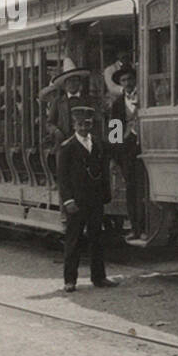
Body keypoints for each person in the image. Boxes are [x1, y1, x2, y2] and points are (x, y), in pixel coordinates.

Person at [57, 106, 115, 291]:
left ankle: (99, 278)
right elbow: (62, 177)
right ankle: (70, 280)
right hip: (77, 201)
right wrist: (68, 201)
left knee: (97, 239)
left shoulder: (98, 143)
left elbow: (104, 171)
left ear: (92, 124)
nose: (84, 128)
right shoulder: (67, 147)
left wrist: (106, 194)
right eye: (80, 124)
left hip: (95, 200)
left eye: (87, 124)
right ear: (74, 125)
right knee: (73, 240)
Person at [108, 66, 144, 239]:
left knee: (146, 189)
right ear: (121, 84)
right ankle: (136, 228)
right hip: (127, 152)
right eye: (124, 80)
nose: (128, 83)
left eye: (130, 79)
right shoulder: (117, 104)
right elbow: (114, 135)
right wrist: (116, 157)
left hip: (145, 146)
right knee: (132, 189)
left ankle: (147, 227)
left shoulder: (145, 99)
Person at [44, 66, 90, 142]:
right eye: (69, 81)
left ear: (80, 83)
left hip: (85, 141)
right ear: (64, 84)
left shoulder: (88, 100)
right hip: (64, 141)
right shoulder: (58, 101)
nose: (72, 84)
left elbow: (96, 120)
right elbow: (49, 123)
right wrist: (56, 131)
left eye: (75, 81)